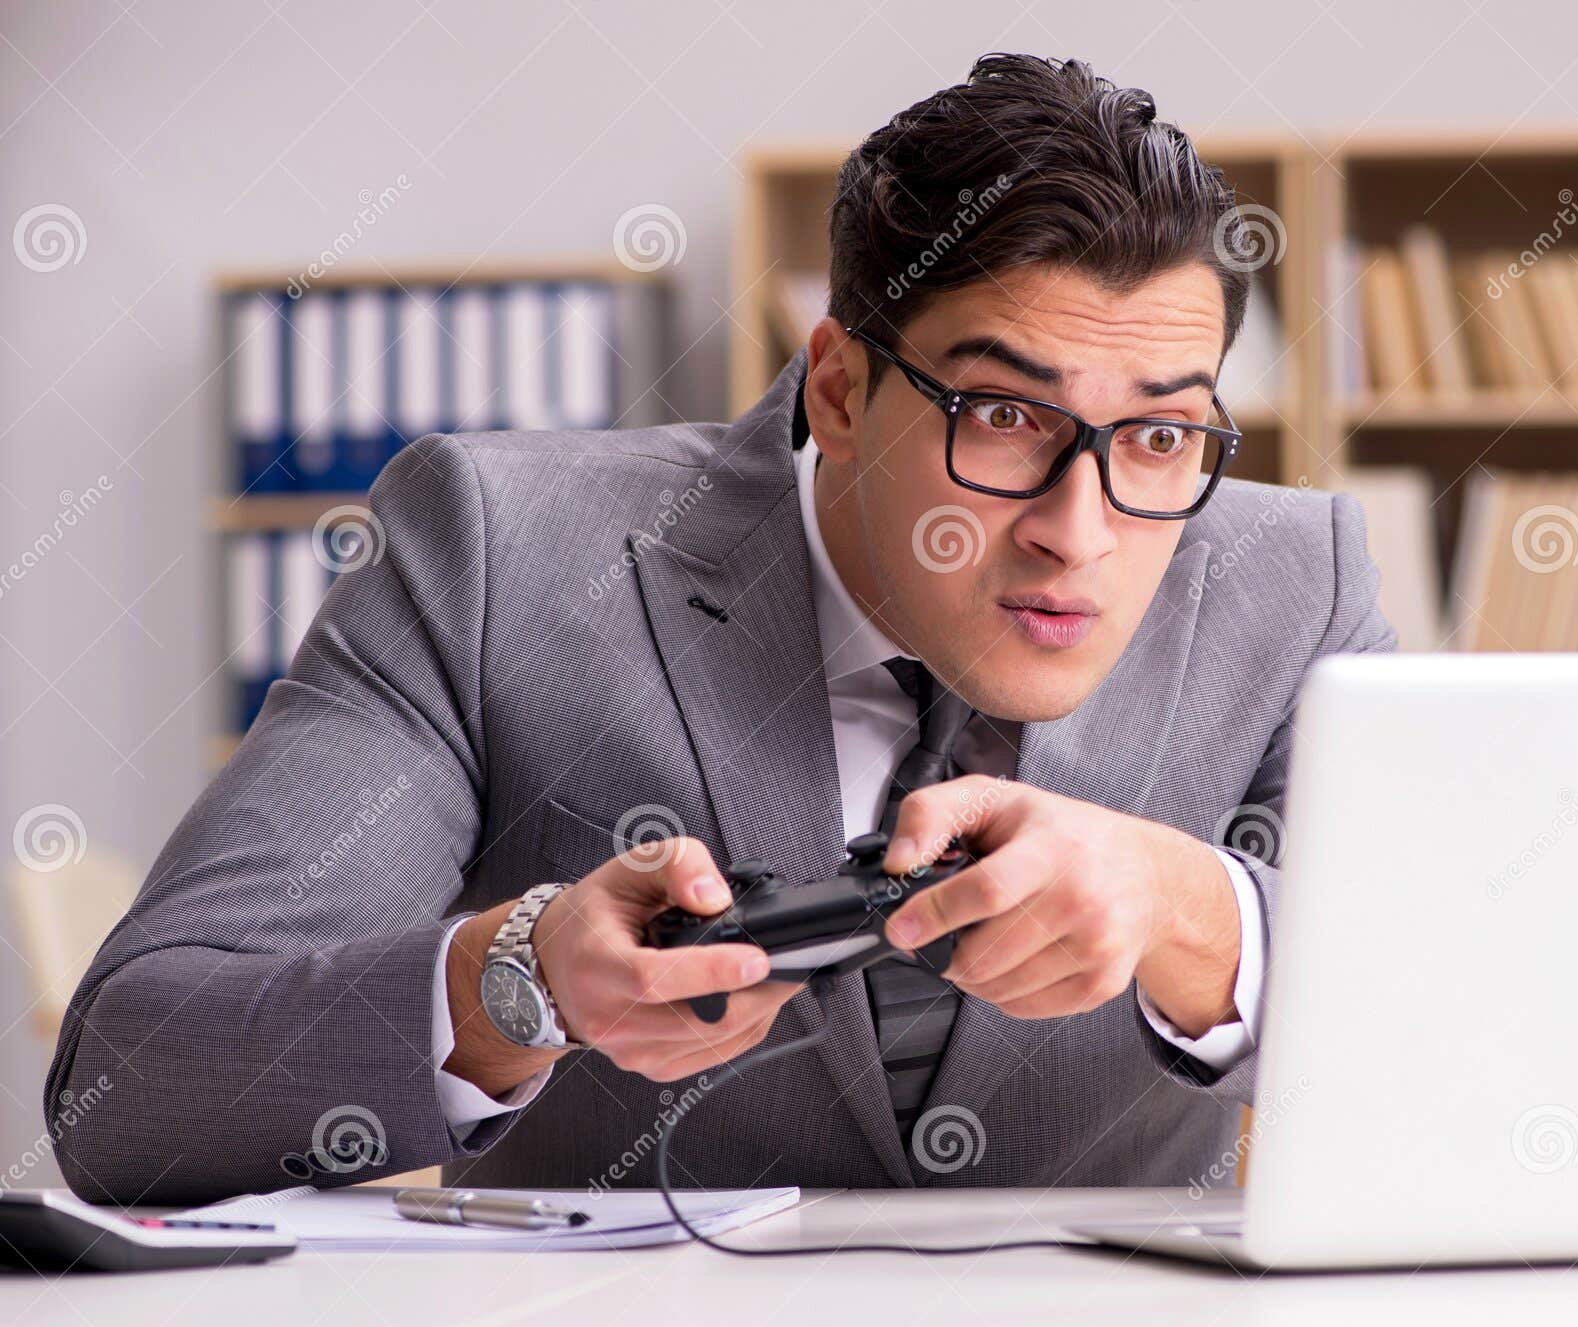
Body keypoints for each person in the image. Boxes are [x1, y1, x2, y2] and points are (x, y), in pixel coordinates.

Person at [47, 53, 1393, 1204]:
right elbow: (126, 1090)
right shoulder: (496, 553)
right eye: (1003, 417)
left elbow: (1490, 1030)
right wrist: (514, 987)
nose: (1078, 531)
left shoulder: (1295, 585)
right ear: (841, 390)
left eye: (1159, 434)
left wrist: (1197, 912)